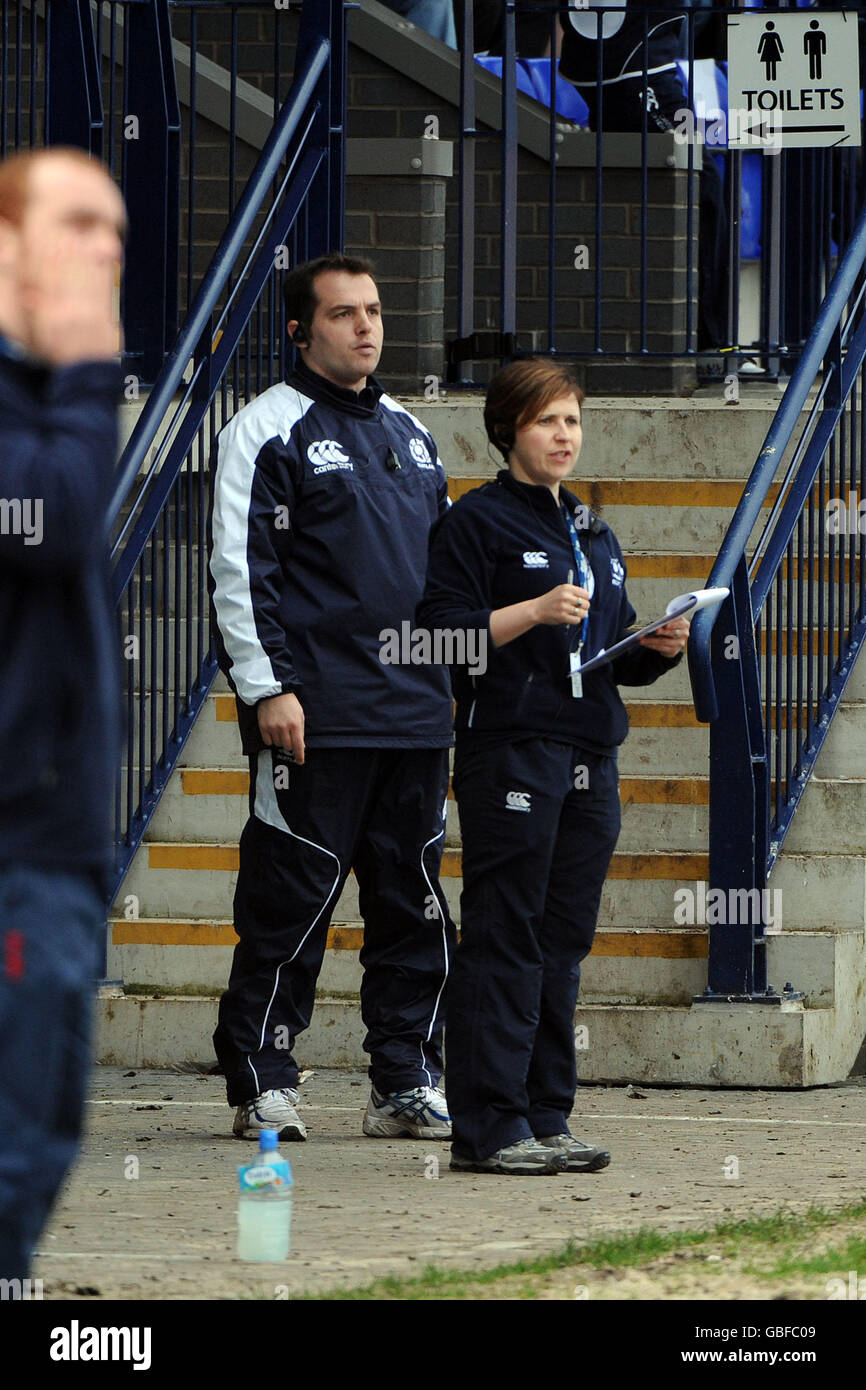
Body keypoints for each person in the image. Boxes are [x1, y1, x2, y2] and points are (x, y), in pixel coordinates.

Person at [417, 358, 688, 1175]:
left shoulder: (594, 531)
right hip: (511, 751)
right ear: (509, 431)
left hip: (589, 757)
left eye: (572, 419)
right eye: (546, 421)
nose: (563, 435)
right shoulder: (476, 524)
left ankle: (546, 1115)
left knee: (563, 943)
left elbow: (606, 658)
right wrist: (528, 611)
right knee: (505, 935)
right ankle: (490, 1128)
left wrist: (656, 648)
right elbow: (433, 641)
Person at [208, 252, 456, 1143]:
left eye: (376, 312)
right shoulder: (264, 431)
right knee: (290, 904)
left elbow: (449, 577)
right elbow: (241, 572)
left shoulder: (412, 433)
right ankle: (264, 1081)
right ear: (299, 330)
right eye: (345, 313)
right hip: (313, 717)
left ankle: (404, 1081)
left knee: (412, 904)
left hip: (416, 717)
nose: (366, 328)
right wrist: (266, 686)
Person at [0, 148, 125, 1276]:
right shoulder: (47, 407)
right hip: (17, 846)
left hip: (57, 838)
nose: (105, 249)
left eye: (116, 229)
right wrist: (90, 366)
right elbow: (55, 516)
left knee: (41, 1131)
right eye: (78, 223)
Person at [559, 0, 729, 353]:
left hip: (620, 60)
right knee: (700, 187)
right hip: (634, 65)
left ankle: (654, 335)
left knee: (651, 188)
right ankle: (710, 344)